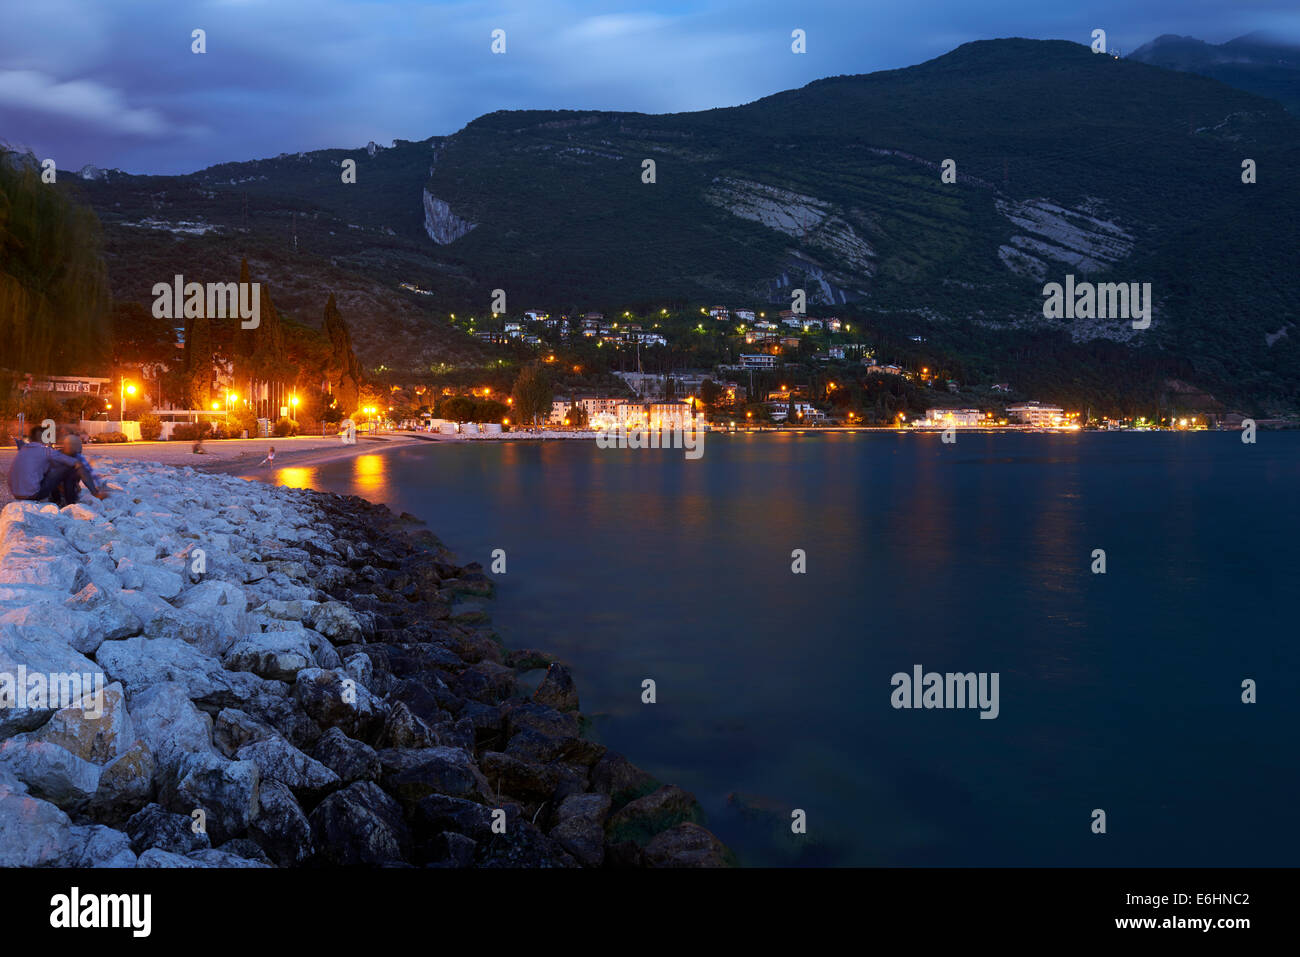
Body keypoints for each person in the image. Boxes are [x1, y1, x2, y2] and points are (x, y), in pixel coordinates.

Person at [7, 426, 108, 506]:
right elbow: (77, 464)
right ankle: (72, 502)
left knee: (53, 469)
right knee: (70, 468)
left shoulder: (23, 450)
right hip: (32, 495)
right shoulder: (45, 451)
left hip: (16, 493)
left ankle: (57, 499)